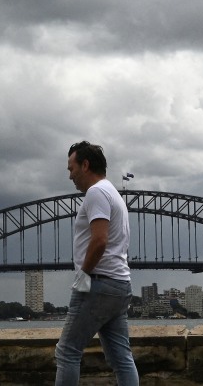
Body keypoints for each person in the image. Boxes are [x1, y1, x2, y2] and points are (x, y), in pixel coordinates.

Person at [55, 141, 139, 386]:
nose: (70, 175)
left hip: (98, 285)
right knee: (121, 358)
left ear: (85, 164)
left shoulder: (96, 193)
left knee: (67, 351)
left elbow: (100, 240)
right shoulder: (112, 192)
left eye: (71, 168)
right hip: (120, 285)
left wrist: (83, 275)